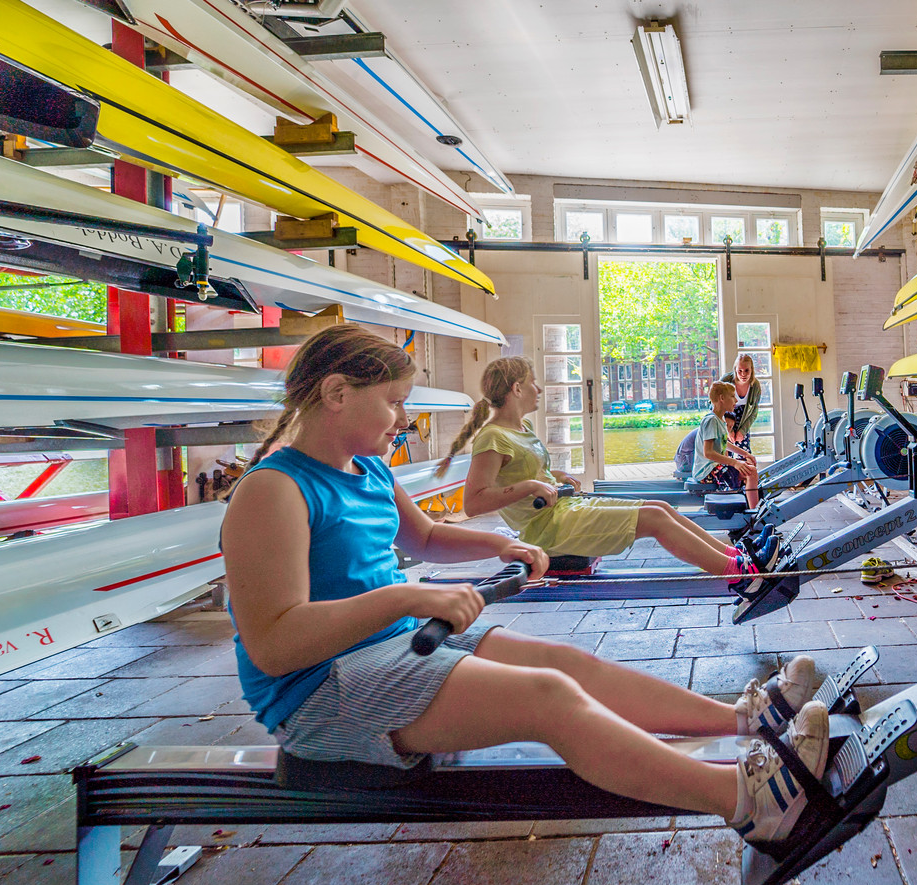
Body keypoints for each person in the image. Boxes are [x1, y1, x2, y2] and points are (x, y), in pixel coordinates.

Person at [221, 324, 830, 847]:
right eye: (393, 402)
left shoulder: (370, 471)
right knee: (547, 698)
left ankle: (745, 720)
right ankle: (753, 803)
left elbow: (426, 539)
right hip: (317, 695)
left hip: (392, 649)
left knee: (565, 664)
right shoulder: (273, 490)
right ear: (336, 393)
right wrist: (409, 597)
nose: (404, 420)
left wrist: (499, 545)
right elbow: (275, 646)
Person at [440, 355, 778, 584]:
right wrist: (531, 486)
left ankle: (739, 554)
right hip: (547, 529)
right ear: (516, 389)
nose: (538, 389)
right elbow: (475, 503)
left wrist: (553, 477)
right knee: (657, 520)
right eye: (532, 383)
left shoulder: (521, 431)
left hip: (563, 509)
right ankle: (739, 575)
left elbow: (523, 475)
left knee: (659, 508)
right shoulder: (493, 437)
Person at [692, 381, 760, 509]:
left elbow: (725, 444)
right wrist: (734, 462)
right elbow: (708, 453)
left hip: (713, 467)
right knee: (751, 472)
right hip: (706, 471)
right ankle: (754, 512)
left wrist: (745, 454)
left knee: (749, 467)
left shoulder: (719, 419)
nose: (736, 400)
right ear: (722, 398)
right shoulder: (711, 420)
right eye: (732, 396)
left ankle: (749, 505)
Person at [721, 353, 762, 453]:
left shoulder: (755, 385)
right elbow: (713, 404)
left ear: (751, 370)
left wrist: (742, 431)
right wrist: (728, 428)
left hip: (743, 422)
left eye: (747, 370)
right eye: (740, 371)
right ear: (735, 370)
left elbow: (754, 412)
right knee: (725, 454)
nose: (743, 374)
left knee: (744, 454)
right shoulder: (726, 380)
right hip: (725, 421)